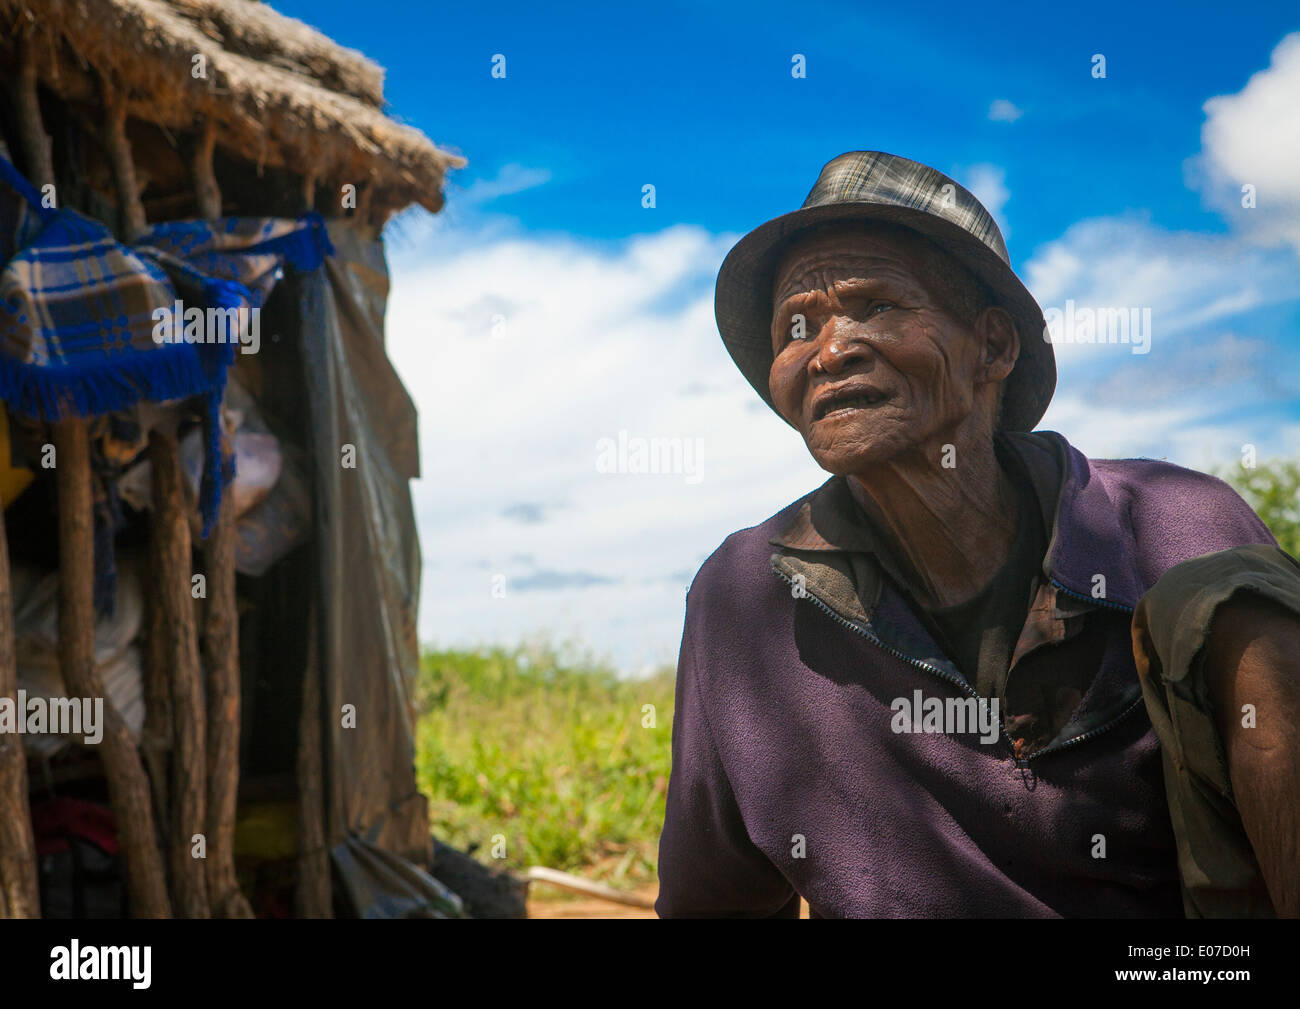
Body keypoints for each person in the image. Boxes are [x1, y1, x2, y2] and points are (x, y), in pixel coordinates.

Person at [655, 151, 1300, 918]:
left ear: (993, 346)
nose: (830, 351)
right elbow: (714, 903)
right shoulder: (745, 596)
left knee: (1226, 597)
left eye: (878, 307)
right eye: (798, 328)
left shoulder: (1177, 526)